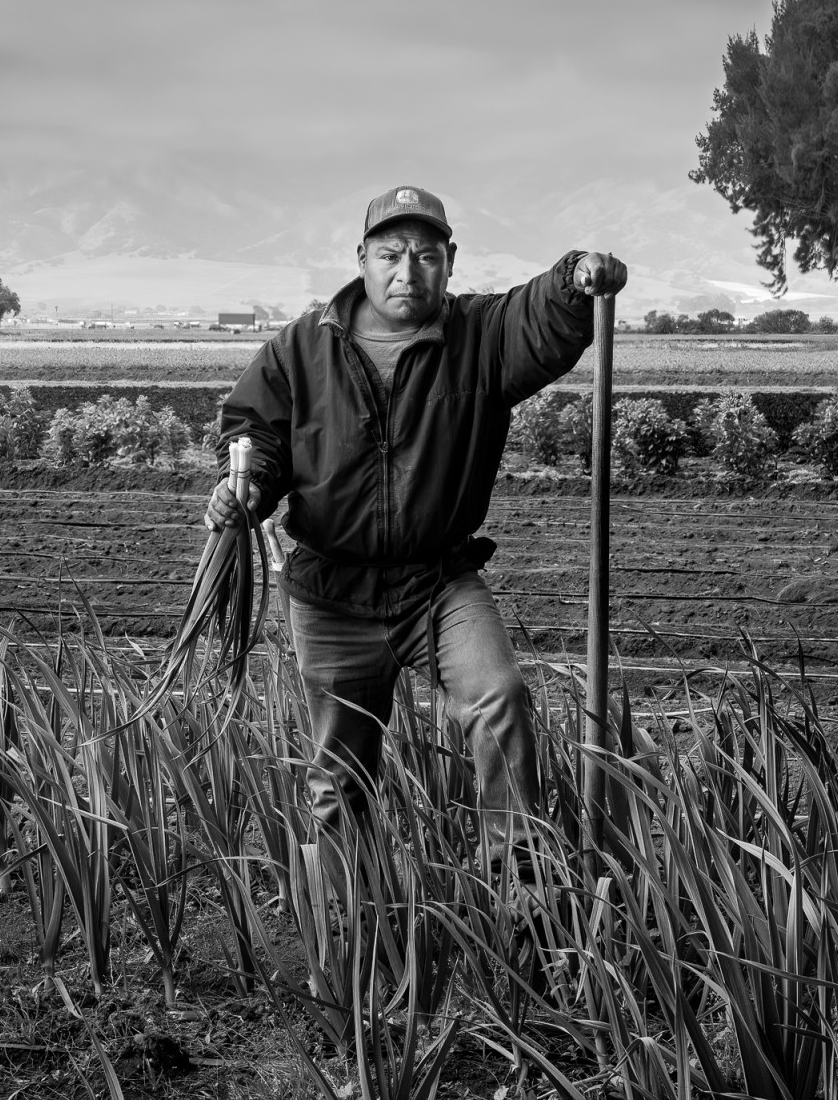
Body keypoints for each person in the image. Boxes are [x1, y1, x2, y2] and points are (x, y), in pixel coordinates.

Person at [206, 184, 626, 870]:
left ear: (450, 261)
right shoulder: (300, 349)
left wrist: (576, 278)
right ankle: (347, 926)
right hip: (331, 593)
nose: (409, 271)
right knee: (338, 775)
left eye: (426, 255)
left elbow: (537, 318)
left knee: (499, 698)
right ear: (362, 259)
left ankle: (516, 890)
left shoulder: (479, 336)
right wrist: (243, 490)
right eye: (393, 254)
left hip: (438, 584)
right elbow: (259, 436)